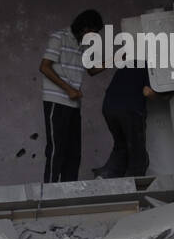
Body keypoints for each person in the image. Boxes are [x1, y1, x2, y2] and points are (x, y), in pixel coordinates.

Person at [39, 9, 104, 182]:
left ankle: (69, 191)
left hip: (74, 105)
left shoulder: (83, 45)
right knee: (56, 150)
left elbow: (91, 70)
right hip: (56, 102)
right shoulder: (59, 37)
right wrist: (68, 89)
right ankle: (51, 192)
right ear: (84, 28)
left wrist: (116, 60)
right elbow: (44, 67)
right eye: (94, 32)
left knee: (74, 152)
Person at [97, 64, 154, 178]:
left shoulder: (130, 62)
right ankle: (134, 185)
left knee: (121, 146)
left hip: (109, 106)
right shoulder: (152, 64)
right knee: (137, 152)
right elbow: (147, 92)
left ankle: (106, 177)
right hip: (129, 108)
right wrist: (166, 94)